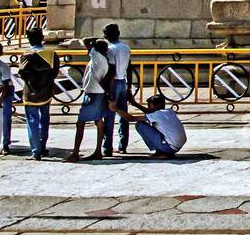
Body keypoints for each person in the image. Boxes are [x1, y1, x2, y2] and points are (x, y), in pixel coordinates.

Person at [66, 39, 111, 163]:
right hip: (99, 93)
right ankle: (98, 150)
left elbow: (85, 40)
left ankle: (75, 152)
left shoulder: (97, 57)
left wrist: (93, 41)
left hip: (93, 94)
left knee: (80, 123)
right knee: (99, 121)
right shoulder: (102, 59)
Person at [19, 28, 57, 161]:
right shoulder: (51, 54)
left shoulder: (26, 54)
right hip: (46, 91)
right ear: (42, 38)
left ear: (29, 39)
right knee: (44, 120)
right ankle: (43, 146)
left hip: (30, 92)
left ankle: (35, 151)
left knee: (32, 122)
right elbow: (55, 72)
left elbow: (22, 73)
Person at [117, 93, 186, 158]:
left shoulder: (157, 115)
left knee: (140, 125)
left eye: (149, 106)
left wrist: (115, 109)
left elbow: (130, 118)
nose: (148, 108)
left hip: (168, 147)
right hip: (177, 146)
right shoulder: (169, 111)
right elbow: (149, 112)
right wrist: (135, 104)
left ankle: (162, 152)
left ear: (157, 105)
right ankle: (164, 151)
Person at [102, 23, 131, 155]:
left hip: (112, 83)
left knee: (109, 116)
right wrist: (129, 85)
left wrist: (108, 91)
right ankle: (123, 145)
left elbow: (111, 71)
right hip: (123, 81)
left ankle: (107, 147)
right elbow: (130, 67)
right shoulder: (125, 48)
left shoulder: (109, 49)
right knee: (123, 115)